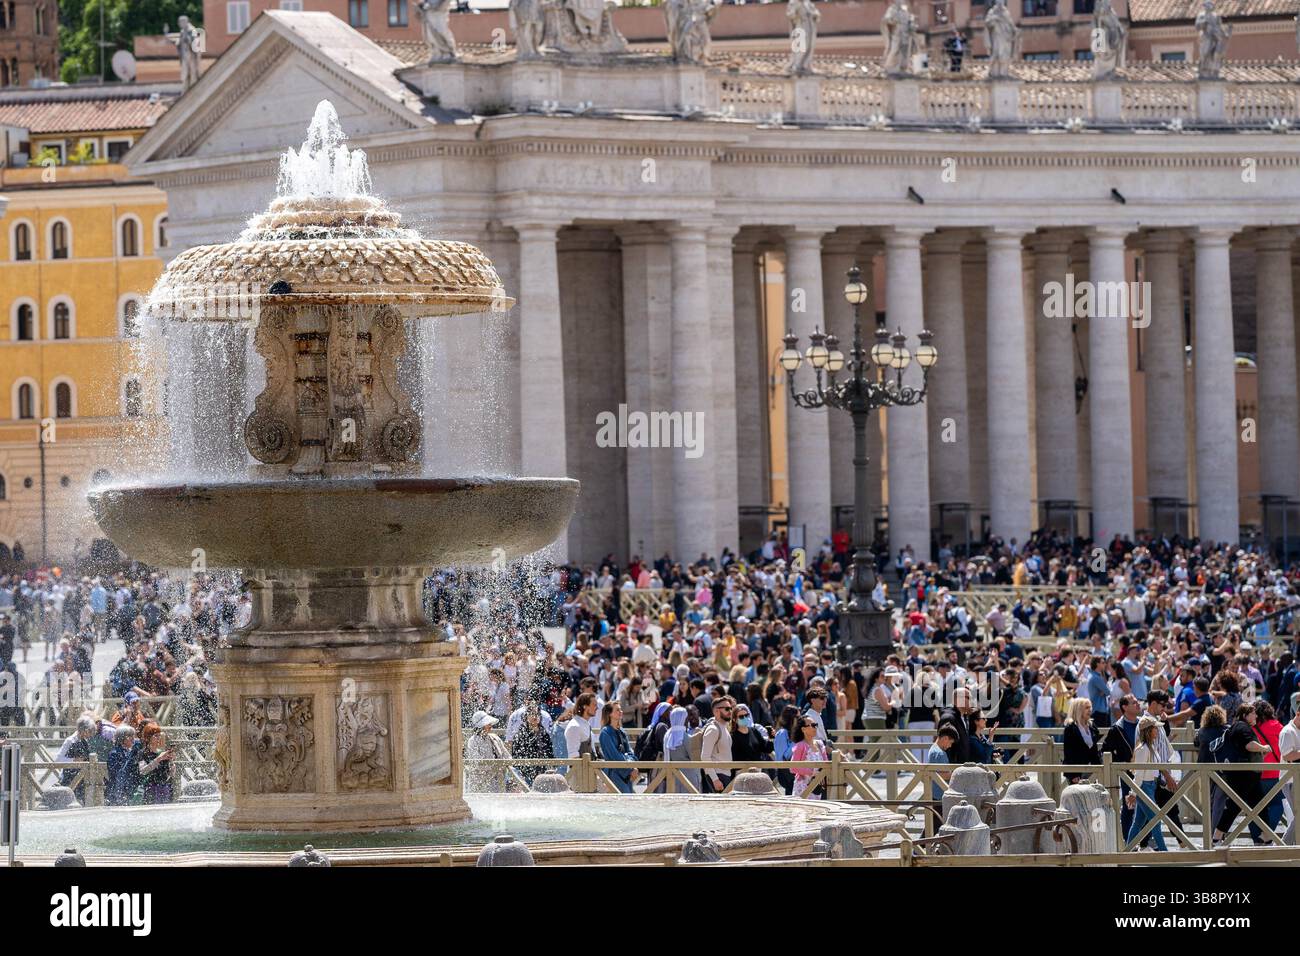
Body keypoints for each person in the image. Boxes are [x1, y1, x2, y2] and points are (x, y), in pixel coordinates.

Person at [1212, 702, 1270, 845]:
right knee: (1234, 806)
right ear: (1245, 715)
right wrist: (1264, 747)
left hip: (1247, 774)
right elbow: (1249, 745)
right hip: (1244, 775)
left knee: (1259, 803)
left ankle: (1267, 837)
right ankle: (1216, 837)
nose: (1256, 715)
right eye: (1253, 713)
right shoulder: (1242, 726)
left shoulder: (1239, 726)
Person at [1126, 715, 1175, 851]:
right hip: (1145, 787)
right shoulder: (1144, 749)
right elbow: (1139, 774)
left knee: (1138, 823)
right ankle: (1164, 852)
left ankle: (1127, 851)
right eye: (1155, 728)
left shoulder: (1150, 747)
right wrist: (1133, 793)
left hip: (1150, 786)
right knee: (1155, 820)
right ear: (1148, 731)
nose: (1157, 731)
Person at [597, 701, 639, 793]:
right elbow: (614, 756)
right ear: (610, 714)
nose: (621, 711)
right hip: (614, 774)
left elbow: (630, 752)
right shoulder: (605, 733)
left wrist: (632, 767)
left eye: (621, 709)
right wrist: (630, 769)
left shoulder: (622, 731)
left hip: (626, 773)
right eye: (617, 710)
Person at [510, 703, 553, 785]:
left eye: (537, 714)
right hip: (526, 772)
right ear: (526, 716)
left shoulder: (544, 732)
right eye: (532, 714)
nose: (535, 716)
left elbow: (549, 751)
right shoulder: (521, 733)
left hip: (542, 772)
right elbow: (516, 754)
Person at [662, 705, 701, 793]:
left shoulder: (668, 735)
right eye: (686, 718)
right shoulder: (685, 737)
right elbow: (693, 758)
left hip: (673, 775)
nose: (687, 720)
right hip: (689, 776)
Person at [700, 695, 735, 792]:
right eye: (727, 709)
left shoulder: (724, 727)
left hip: (725, 774)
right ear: (716, 711)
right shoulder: (713, 729)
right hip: (717, 775)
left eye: (731, 708)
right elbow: (705, 757)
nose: (730, 711)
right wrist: (715, 779)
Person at [1062, 697, 1101, 783]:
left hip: (1092, 770)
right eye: (1086, 708)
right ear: (1078, 709)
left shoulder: (1092, 726)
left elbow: (1094, 750)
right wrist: (1073, 774)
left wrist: (1099, 768)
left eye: (1090, 707)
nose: (1090, 710)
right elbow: (1068, 753)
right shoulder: (1070, 728)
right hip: (1077, 772)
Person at [790, 715, 828, 798]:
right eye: (812, 725)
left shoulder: (820, 744)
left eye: (816, 725)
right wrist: (812, 773)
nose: (815, 727)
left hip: (817, 786)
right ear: (803, 729)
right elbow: (793, 767)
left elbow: (827, 764)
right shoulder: (800, 746)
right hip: (803, 787)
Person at [135, 723, 174, 804]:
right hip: (150, 789)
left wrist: (172, 765)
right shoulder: (142, 753)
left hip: (164, 788)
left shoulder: (162, 753)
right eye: (156, 736)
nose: (159, 738)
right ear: (148, 737)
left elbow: (169, 775)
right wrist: (159, 759)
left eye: (159, 735)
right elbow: (143, 771)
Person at [730, 701, 774, 767]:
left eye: (746, 715)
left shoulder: (754, 731)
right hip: (742, 772)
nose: (745, 718)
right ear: (734, 719)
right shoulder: (733, 736)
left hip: (758, 770)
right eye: (741, 717)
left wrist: (771, 738)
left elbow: (766, 749)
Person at [106, 724, 139, 805]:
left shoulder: (130, 752)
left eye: (133, 736)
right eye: (129, 736)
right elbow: (118, 773)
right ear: (121, 738)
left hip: (129, 790)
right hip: (117, 792)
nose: (132, 739)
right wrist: (131, 757)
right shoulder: (114, 753)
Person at [926, 725, 959, 801]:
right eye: (950, 743)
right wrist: (959, 774)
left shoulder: (933, 748)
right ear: (945, 738)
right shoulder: (940, 753)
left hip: (934, 793)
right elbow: (944, 775)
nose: (950, 746)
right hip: (940, 795)